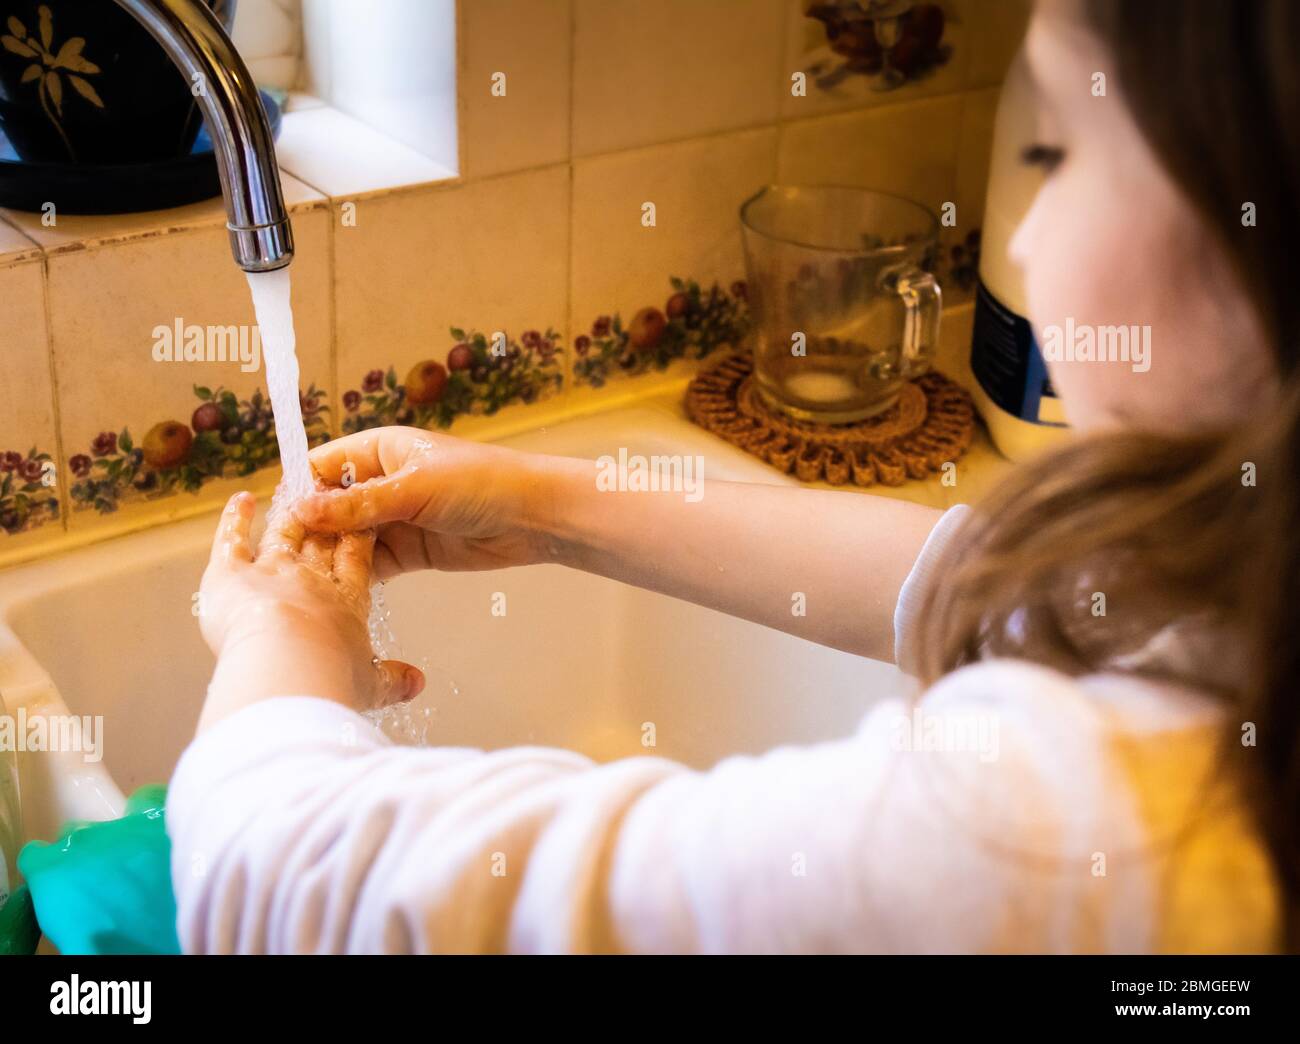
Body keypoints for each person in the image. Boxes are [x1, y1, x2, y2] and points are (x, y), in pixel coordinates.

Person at [169, 0, 1294, 953]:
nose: (1029, 235)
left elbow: (287, 878)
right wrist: (544, 504)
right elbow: (997, 588)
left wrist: (282, 635)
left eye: (1060, 149)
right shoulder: (1246, 596)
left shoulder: (1100, 824)